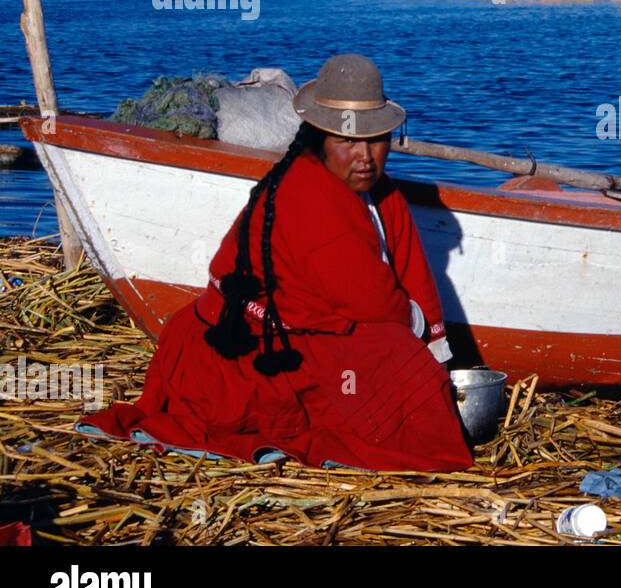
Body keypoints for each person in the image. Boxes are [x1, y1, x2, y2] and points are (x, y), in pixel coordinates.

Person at [78, 54, 473, 472]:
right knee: (392, 354)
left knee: (401, 354)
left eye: (375, 140)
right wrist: (413, 340)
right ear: (320, 137)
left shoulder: (383, 195)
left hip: (301, 330)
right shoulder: (308, 192)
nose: (365, 156)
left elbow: (414, 276)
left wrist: (437, 349)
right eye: (348, 142)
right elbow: (373, 305)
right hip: (245, 349)